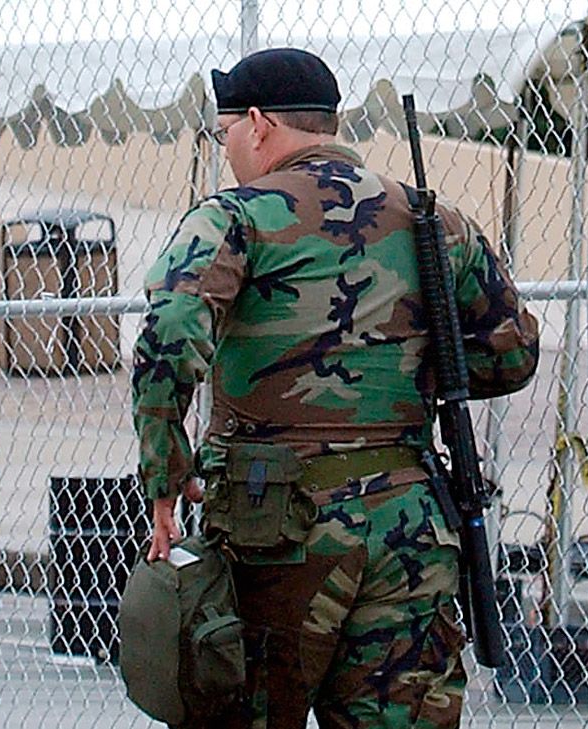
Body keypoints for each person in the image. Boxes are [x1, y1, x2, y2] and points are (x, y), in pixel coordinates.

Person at [131, 47, 540, 729]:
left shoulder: (235, 216)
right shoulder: (431, 219)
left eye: (223, 130)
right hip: (409, 525)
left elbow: (169, 334)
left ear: (257, 123)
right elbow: (513, 354)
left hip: (276, 530)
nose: (226, 146)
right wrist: (406, 368)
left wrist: (164, 472)